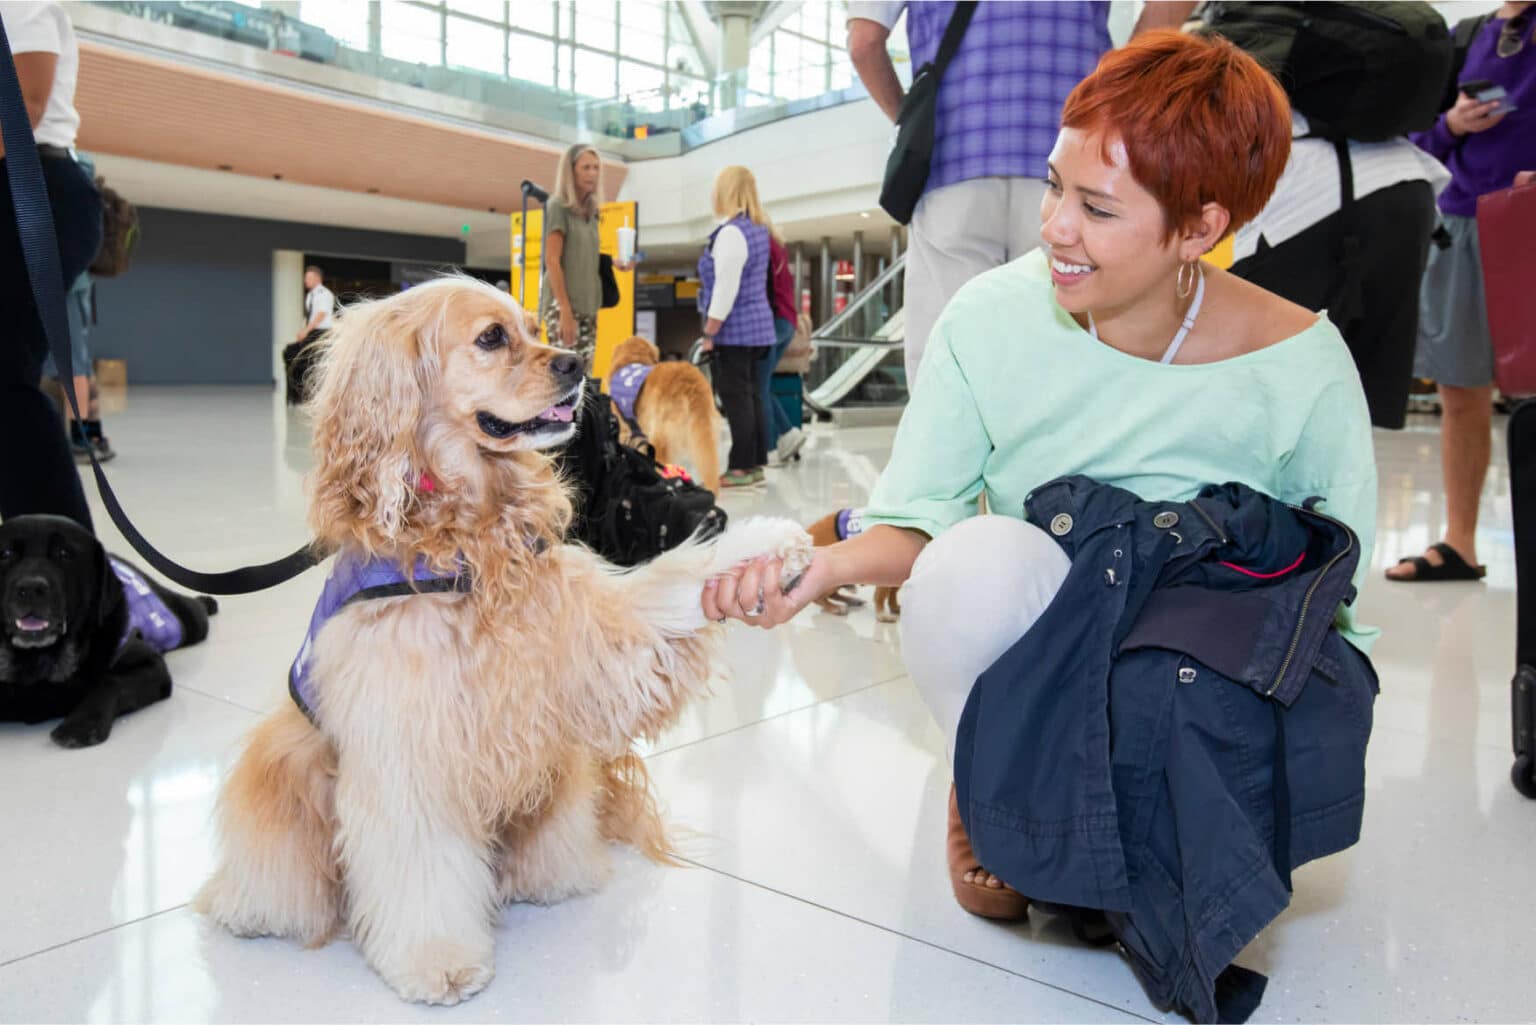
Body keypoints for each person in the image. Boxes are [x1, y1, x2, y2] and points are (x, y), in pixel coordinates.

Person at [704, 32, 1376, 924]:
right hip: (1052, 621)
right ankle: (988, 776)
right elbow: (918, 523)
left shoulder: (1302, 361)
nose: (1054, 226)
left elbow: (1336, 602)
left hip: (1199, 651)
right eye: (1056, 185)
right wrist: (819, 567)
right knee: (969, 565)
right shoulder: (991, 318)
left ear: (1202, 228)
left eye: (1097, 209)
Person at [845, 1, 1189, 392]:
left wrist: (910, 123)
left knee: (949, 360)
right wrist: (1124, 77)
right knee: (1066, 358)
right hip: (1073, 155)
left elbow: (864, 43)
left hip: (953, 159)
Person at [1388, 1, 1536, 582]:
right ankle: (1461, 542)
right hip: (1465, 222)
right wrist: (1453, 124)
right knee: (1461, 389)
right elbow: (1409, 134)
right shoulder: (1463, 36)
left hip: (1527, 219)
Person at [0, 0, 103, 529]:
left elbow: (27, 105)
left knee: (6, 378)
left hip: (31, 182)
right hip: (30, 186)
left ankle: (62, 569)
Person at [698, 166, 779, 489]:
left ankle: (741, 467)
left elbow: (725, 288)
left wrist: (710, 331)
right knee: (753, 396)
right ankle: (756, 462)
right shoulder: (759, 229)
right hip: (760, 329)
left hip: (735, 331)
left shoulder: (732, 232)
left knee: (737, 399)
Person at [541, 143, 604, 369]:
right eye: (586, 167)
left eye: (596, 168)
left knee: (585, 380)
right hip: (563, 307)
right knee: (565, 378)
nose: (592, 174)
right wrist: (565, 309)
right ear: (571, 171)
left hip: (588, 308)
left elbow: (585, 256)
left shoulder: (593, 211)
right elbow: (552, 260)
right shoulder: (558, 206)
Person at [41, 269, 115, 462]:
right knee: (79, 362)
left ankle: (80, 440)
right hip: (71, 283)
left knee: (73, 365)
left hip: (63, 285)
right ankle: (92, 435)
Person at [762, 231, 805, 464]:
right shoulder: (778, 246)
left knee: (759, 384)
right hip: (787, 319)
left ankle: (773, 447)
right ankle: (787, 433)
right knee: (763, 382)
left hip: (774, 321)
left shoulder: (763, 245)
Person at [281, 265, 334, 405]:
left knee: (301, 358)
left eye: (308, 278)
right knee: (289, 353)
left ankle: (303, 395)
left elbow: (320, 316)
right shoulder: (310, 295)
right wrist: (304, 330)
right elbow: (310, 317)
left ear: (317, 278)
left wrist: (306, 331)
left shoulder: (325, 294)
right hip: (311, 332)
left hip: (321, 333)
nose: (305, 281)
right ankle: (294, 395)